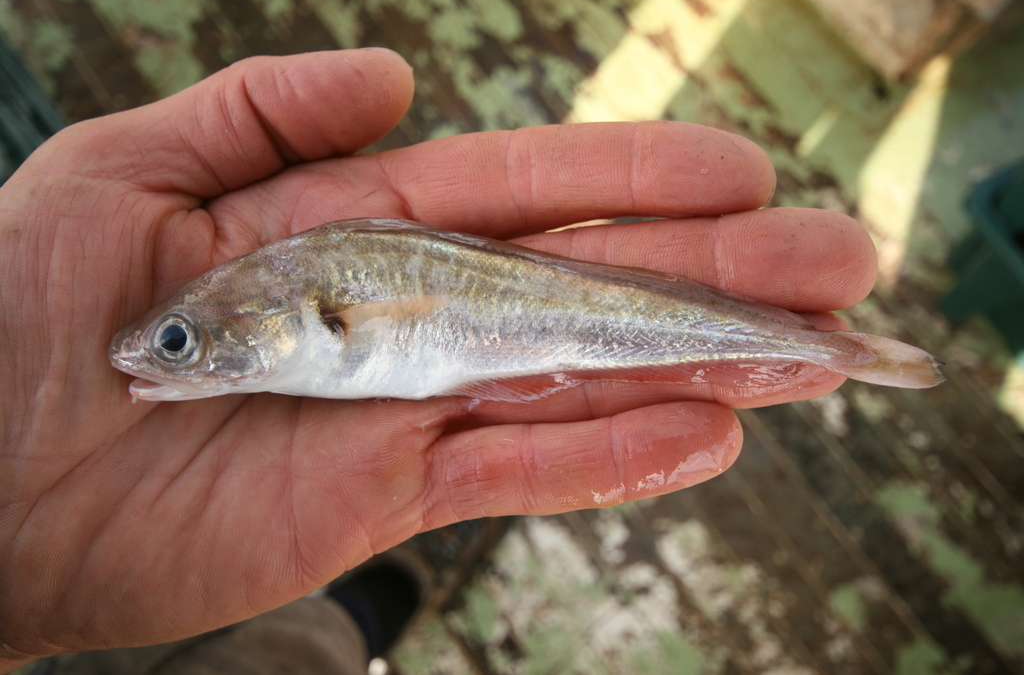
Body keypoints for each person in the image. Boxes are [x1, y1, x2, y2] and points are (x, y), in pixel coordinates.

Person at [0, 48, 878, 673]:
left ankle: (816, 345)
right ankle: (357, 619)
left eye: (179, 340)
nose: (160, 361)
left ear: (282, 314)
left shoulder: (309, 294)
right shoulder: (289, 301)